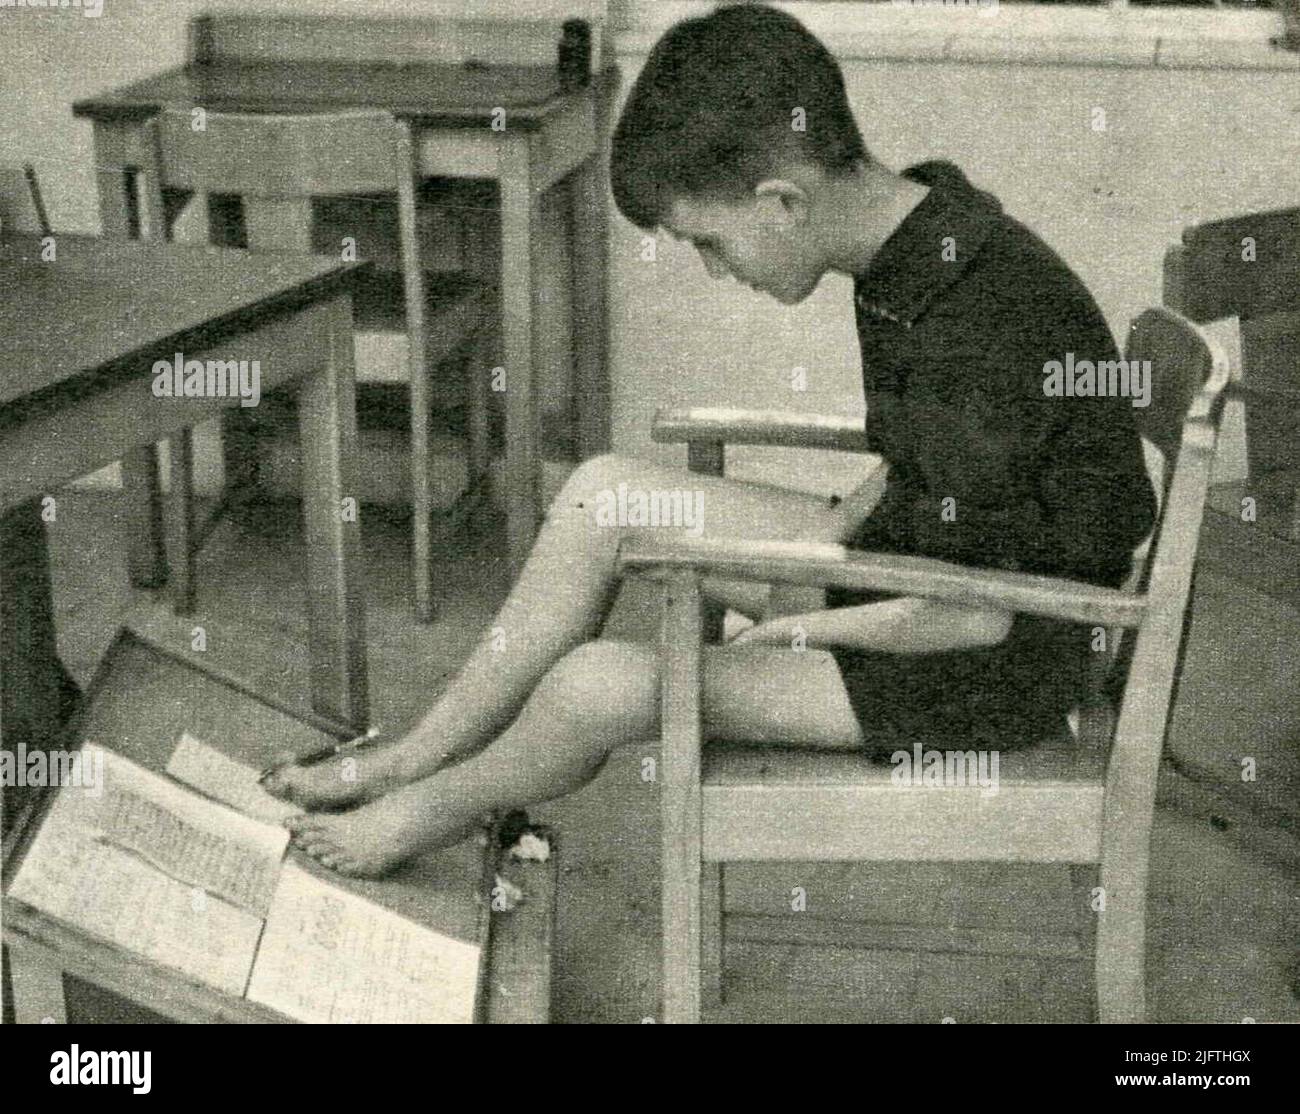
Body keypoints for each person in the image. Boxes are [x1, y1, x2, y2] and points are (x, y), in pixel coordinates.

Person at [265, 3, 1155, 877]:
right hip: (931, 573)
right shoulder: (925, 231)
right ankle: (411, 755)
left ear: (781, 202)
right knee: (606, 491)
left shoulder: (980, 324)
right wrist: (826, 545)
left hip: (996, 658)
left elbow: (970, 610)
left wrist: (785, 635)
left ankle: (425, 811)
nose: (714, 270)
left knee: (603, 685)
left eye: (709, 242)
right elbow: (926, 461)